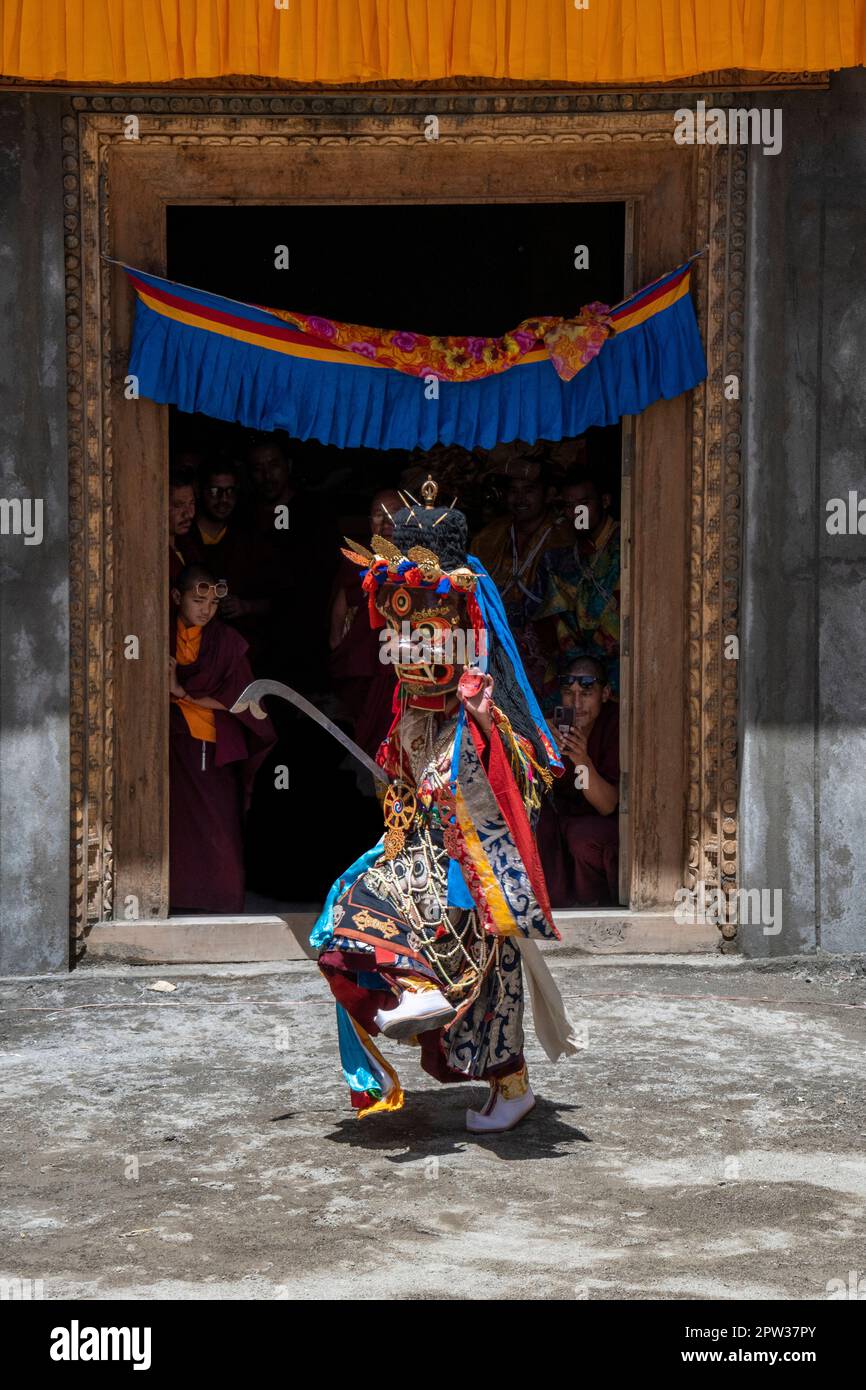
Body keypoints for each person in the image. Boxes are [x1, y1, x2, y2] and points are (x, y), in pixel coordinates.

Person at [311, 479, 578, 1134]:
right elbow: (399, 786)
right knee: (344, 913)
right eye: (399, 633)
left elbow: (514, 781)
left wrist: (484, 729)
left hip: (470, 874)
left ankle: (508, 1085)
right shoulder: (410, 715)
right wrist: (399, 790)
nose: (406, 650)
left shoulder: (481, 714)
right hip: (417, 862)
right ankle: (414, 988)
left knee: (489, 995)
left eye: (424, 635)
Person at [168, 563, 275, 913]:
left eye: (213, 603)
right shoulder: (161, 634)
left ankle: (222, 898)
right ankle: (181, 896)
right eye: (198, 601)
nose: (206, 610)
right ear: (175, 597)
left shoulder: (225, 642)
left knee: (220, 827)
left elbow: (242, 696)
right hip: (175, 740)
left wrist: (182, 692)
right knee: (179, 826)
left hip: (212, 742)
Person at [471, 456, 573, 696]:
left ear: (548, 494)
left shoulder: (564, 533)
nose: (520, 499)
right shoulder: (490, 536)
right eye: (513, 491)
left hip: (547, 649)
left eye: (529, 490)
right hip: (498, 644)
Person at [536, 655, 620, 907]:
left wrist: (581, 760)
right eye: (568, 694)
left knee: (581, 836)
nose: (576, 703)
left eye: (586, 693)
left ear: (605, 694)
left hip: (603, 821)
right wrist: (540, 748)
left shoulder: (616, 725)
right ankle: (551, 906)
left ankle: (594, 906)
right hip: (563, 816)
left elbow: (607, 806)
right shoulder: (552, 725)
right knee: (539, 823)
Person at [534, 467, 621, 695]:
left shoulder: (628, 544)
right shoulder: (563, 559)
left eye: (583, 504)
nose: (576, 513)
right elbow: (558, 623)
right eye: (569, 506)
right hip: (582, 663)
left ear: (604, 501)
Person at [328, 487, 401, 755]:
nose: (387, 524)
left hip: (404, 679)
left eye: (395, 515)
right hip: (364, 678)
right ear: (369, 524)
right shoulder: (357, 564)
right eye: (378, 516)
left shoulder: (424, 571)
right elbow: (336, 634)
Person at [168, 463, 197, 586]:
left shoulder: (189, 545)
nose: (188, 514)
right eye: (178, 505)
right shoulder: (152, 552)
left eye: (191, 503)